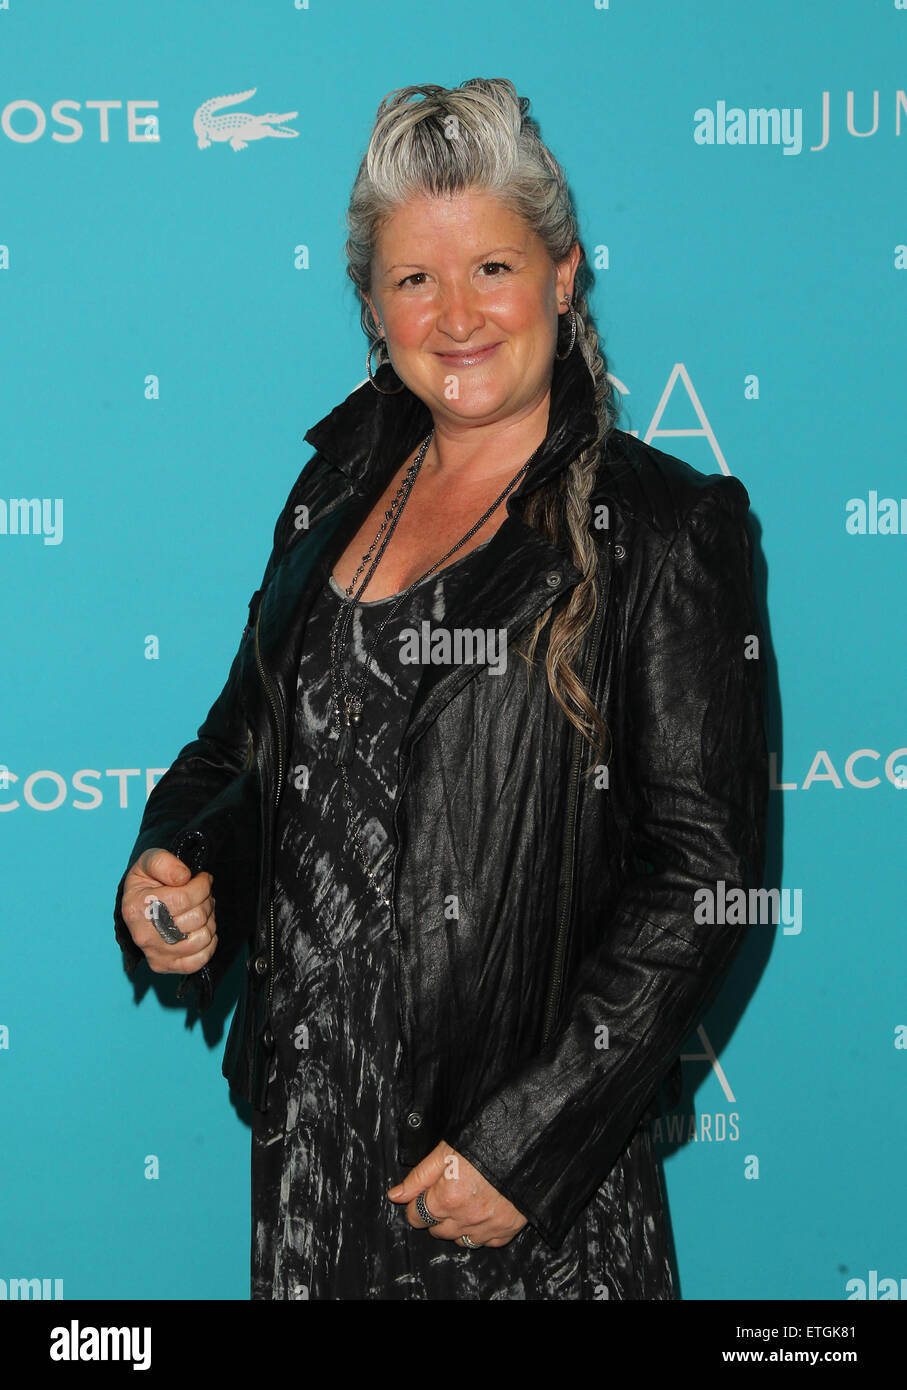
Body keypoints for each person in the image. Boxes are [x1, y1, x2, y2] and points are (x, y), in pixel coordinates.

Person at [113, 77, 768, 1300]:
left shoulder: (663, 528)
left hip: (512, 1194)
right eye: (415, 277)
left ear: (563, 275)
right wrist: (183, 862)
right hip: (312, 1158)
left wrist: (528, 1140)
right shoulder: (331, 493)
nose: (456, 315)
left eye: (494, 267)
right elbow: (241, 750)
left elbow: (706, 875)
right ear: (372, 304)